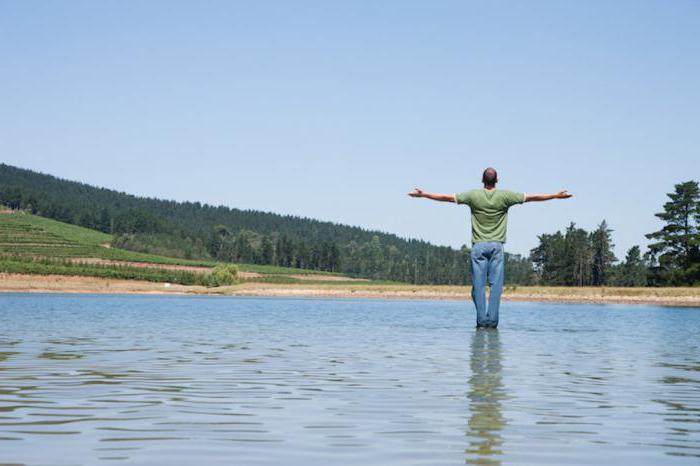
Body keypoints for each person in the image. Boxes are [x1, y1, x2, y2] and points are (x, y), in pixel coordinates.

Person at [408, 167, 572, 328]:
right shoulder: (505, 196)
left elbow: (447, 197)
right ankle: (492, 323)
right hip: (496, 246)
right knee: (496, 287)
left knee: (478, 287)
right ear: (497, 180)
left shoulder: (473, 195)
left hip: (478, 246)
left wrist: (424, 195)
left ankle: (481, 322)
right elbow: (532, 197)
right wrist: (555, 196)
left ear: (482, 180)